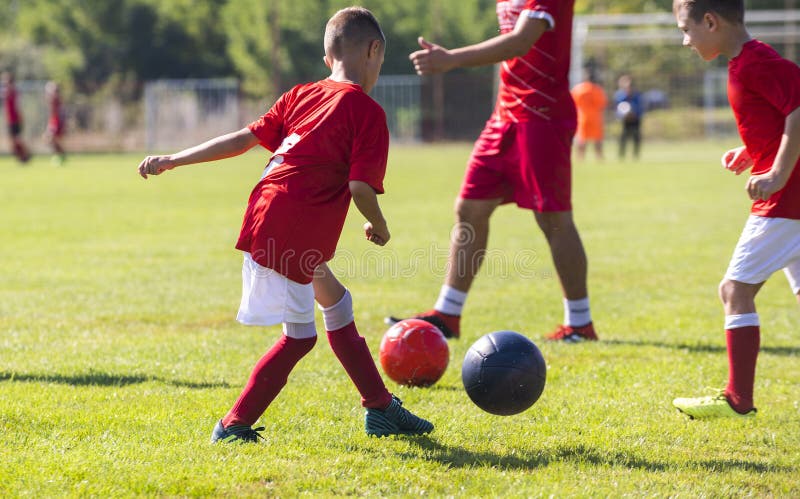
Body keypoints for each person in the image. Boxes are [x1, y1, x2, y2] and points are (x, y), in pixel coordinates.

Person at [136, 7, 433, 442]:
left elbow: (243, 139)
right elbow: (360, 187)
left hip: (268, 210)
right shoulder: (366, 112)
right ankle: (233, 424)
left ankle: (380, 407)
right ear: (374, 51)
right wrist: (379, 225)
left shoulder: (303, 93)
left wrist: (174, 159)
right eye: (381, 61)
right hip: (293, 224)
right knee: (299, 338)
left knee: (337, 303)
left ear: (327, 58)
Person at [391, 0, 598, 343]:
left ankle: (580, 324)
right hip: (504, 116)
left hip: (542, 117)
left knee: (553, 218)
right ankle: (448, 314)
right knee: (469, 208)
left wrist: (451, 58)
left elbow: (520, 42)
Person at [671, 0, 800, 419]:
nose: (685, 40)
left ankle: (737, 398)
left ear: (711, 21)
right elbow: (779, 118)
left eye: (687, 30)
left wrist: (777, 172)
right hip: (791, 196)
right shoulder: (746, 62)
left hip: (784, 200)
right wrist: (752, 151)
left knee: (734, 290)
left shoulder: (756, 61)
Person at [571, 68, 607, 161]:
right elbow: (602, 104)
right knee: (597, 139)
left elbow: (572, 103)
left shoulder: (578, 89)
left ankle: (580, 158)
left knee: (582, 139)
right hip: (595, 117)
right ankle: (599, 157)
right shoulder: (597, 90)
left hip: (582, 117)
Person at [1, 71, 31, 163]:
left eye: (6, 81)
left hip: (16, 120)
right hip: (9, 120)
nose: (4, 83)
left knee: (17, 139)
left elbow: (18, 106)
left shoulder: (14, 92)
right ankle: (22, 157)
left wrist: (21, 119)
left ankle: (27, 154)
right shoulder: (5, 93)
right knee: (13, 142)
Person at [614, 74, 644, 160]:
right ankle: (621, 155)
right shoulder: (619, 95)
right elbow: (618, 107)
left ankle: (635, 155)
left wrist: (635, 114)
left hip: (635, 118)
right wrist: (622, 116)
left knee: (636, 136)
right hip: (625, 119)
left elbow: (640, 106)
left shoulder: (636, 94)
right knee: (623, 136)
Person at [44, 81, 66, 166]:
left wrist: (60, 123)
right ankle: (60, 156)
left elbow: (60, 112)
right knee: (51, 140)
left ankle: (59, 156)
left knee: (50, 139)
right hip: (53, 121)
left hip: (56, 121)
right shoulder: (54, 98)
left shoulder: (57, 98)